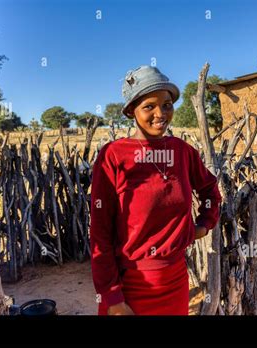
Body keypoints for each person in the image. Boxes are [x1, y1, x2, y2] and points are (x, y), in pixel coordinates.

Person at [90, 65, 221, 315]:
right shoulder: (114, 156)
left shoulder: (183, 152)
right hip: (131, 285)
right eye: (149, 106)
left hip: (175, 280)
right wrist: (111, 296)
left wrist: (204, 224)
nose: (160, 113)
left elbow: (209, 190)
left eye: (167, 104)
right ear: (131, 111)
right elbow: (100, 233)